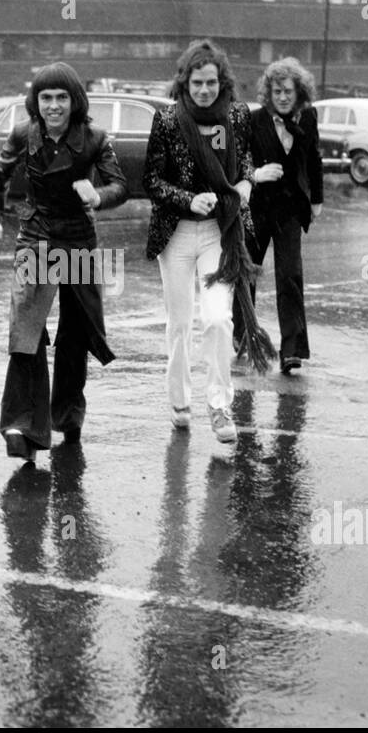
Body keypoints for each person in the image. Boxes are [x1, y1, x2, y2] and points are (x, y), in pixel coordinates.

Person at [0, 62, 128, 463]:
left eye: (61, 97)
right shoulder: (22, 134)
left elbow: (121, 186)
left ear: (74, 101)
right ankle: (23, 427)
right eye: (46, 98)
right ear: (36, 102)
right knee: (27, 331)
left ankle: (67, 414)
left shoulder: (95, 138)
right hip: (36, 236)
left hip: (79, 240)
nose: (53, 106)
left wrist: (98, 196)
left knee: (74, 334)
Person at [143, 39, 264, 445]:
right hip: (176, 233)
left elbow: (245, 160)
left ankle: (218, 405)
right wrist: (187, 199)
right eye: (196, 83)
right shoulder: (167, 121)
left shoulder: (238, 116)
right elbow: (152, 181)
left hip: (220, 231)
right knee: (179, 324)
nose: (204, 90)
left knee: (216, 319)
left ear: (222, 81)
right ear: (185, 82)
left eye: (211, 82)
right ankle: (179, 401)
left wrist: (245, 182)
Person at [235, 58, 323, 373]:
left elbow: (314, 158)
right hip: (257, 207)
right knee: (248, 274)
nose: (282, 97)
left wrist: (317, 199)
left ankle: (292, 350)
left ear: (299, 92)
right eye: (276, 91)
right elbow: (237, 162)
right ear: (268, 93)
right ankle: (242, 337)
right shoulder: (253, 120)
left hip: (290, 210)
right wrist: (256, 173)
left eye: (288, 91)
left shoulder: (309, 117)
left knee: (290, 275)